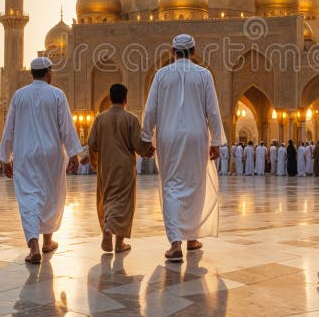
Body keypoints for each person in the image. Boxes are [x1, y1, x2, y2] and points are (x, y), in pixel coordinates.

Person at [141, 35, 225, 262]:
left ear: (172, 51)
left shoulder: (161, 75)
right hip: (197, 136)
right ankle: (192, 238)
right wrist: (216, 141)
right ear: (194, 51)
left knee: (171, 186)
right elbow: (213, 111)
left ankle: (176, 242)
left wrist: (146, 139)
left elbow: (150, 111)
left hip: (168, 136)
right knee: (195, 184)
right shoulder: (204, 75)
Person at [0, 57, 83, 264]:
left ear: (32, 74)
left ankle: (34, 245)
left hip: (25, 153)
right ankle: (48, 241)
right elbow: (66, 126)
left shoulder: (19, 95)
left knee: (29, 198)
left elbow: (9, 128)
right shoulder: (57, 94)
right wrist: (74, 153)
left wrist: (4, 157)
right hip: (51, 154)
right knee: (51, 195)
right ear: (49, 73)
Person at [87, 83, 154, 253]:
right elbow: (139, 145)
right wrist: (148, 151)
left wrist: (95, 163)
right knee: (124, 202)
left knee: (109, 198)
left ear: (110, 98)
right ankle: (114, 236)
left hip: (106, 166)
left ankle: (114, 238)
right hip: (124, 167)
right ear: (125, 99)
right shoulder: (130, 119)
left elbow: (92, 143)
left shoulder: (100, 118)